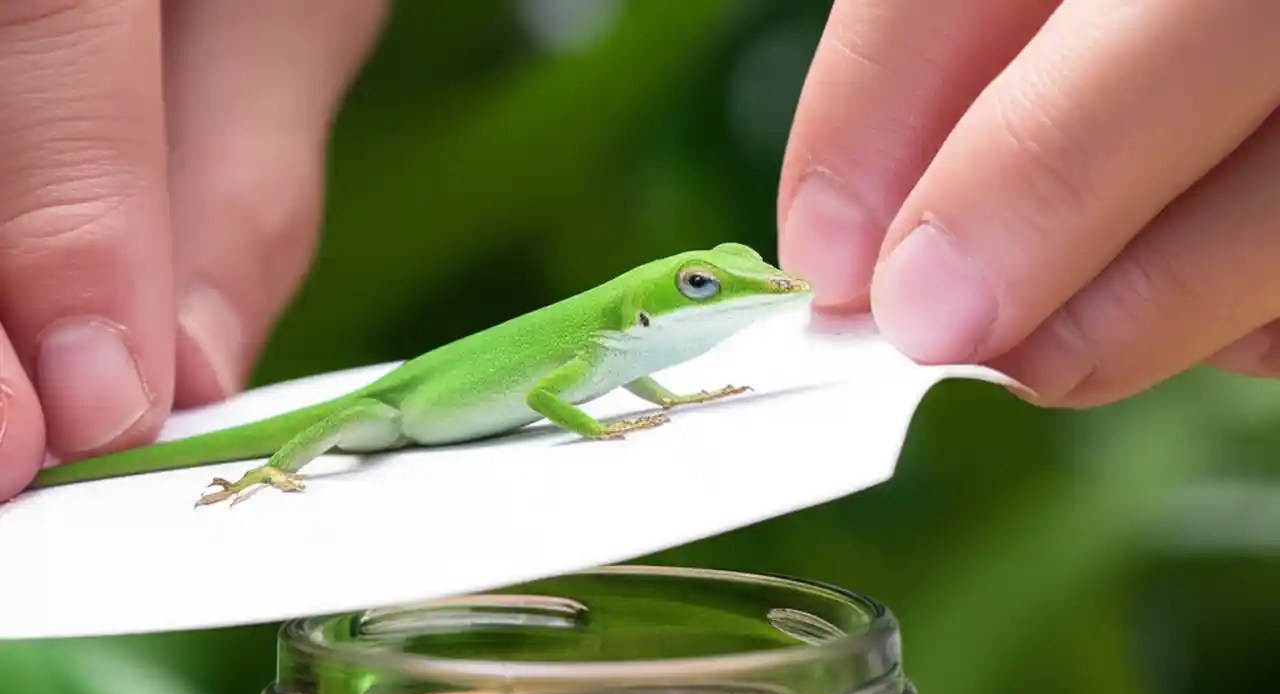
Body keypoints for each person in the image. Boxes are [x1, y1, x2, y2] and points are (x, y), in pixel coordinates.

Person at [1, 1, 1277, 499]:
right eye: (706, 289)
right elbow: (568, 390)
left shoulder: (628, 346)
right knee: (345, 432)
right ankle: (245, 475)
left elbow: (620, 369)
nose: (748, 296)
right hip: (396, 409)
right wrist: (608, 429)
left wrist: (657, 395)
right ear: (647, 310)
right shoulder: (586, 356)